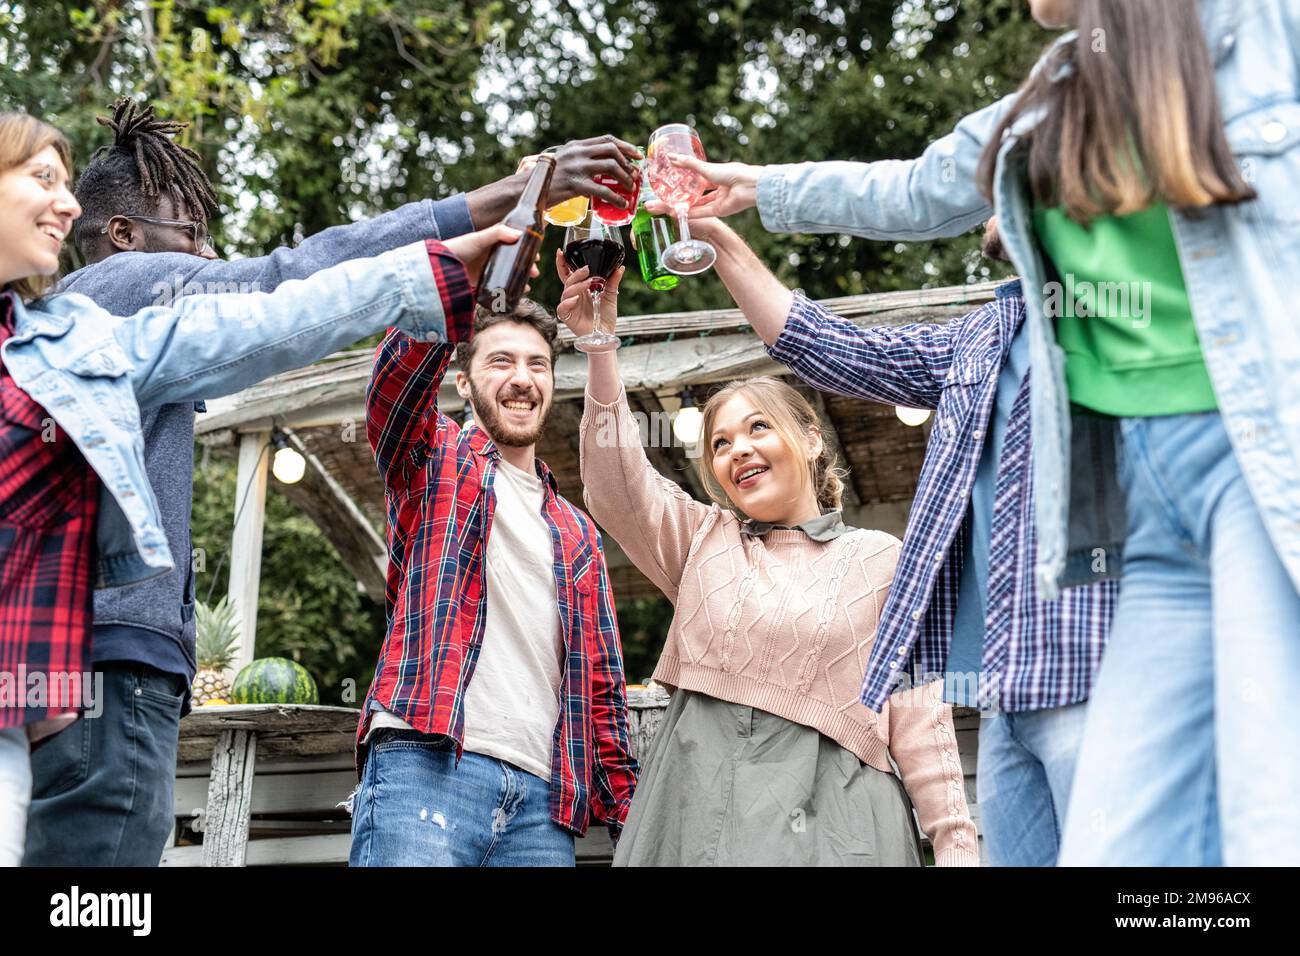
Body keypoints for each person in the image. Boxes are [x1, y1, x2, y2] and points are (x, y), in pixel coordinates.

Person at [664, 0, 1300, 866]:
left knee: (1261, 815)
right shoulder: (988, 317)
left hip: (1112, 631)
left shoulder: (1256, 30)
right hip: (1016, 680)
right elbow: (861, 292)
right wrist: (746, 205)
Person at [24, 95, 640, 867]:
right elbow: (290, 282)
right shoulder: (119, 290)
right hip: (111, 664)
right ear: (120, 236)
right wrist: (503, 202)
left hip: (538, 791)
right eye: (192, 235)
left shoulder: (573, 529)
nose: (210, 260)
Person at [686, 214, 1116, 866]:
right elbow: (836, 350)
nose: (984, 188)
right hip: (1002, 701)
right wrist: (719, 240)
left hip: (1095, 673)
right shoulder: (983, 335)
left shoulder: (1128, 316)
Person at [562, 258, 978, 866]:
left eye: (758, 427)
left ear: (811, 439)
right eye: (720, 444)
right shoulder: (704, 540)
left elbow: (922, 721)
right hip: (694, 816)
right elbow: (616, 486)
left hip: (838, 830)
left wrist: (956, 847)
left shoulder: (881, 559)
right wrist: (599, 344)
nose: (738, 450)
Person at [350, 299, 637, 868]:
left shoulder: (578, 532)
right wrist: (463, 281)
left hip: (543, 806)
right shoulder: (435, 458)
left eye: (538, 364)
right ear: (462, 381)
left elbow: (603, 687)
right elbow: (394, 389)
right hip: (424, 762)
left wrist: (629, 820)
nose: (522, 379)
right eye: (501, 362)